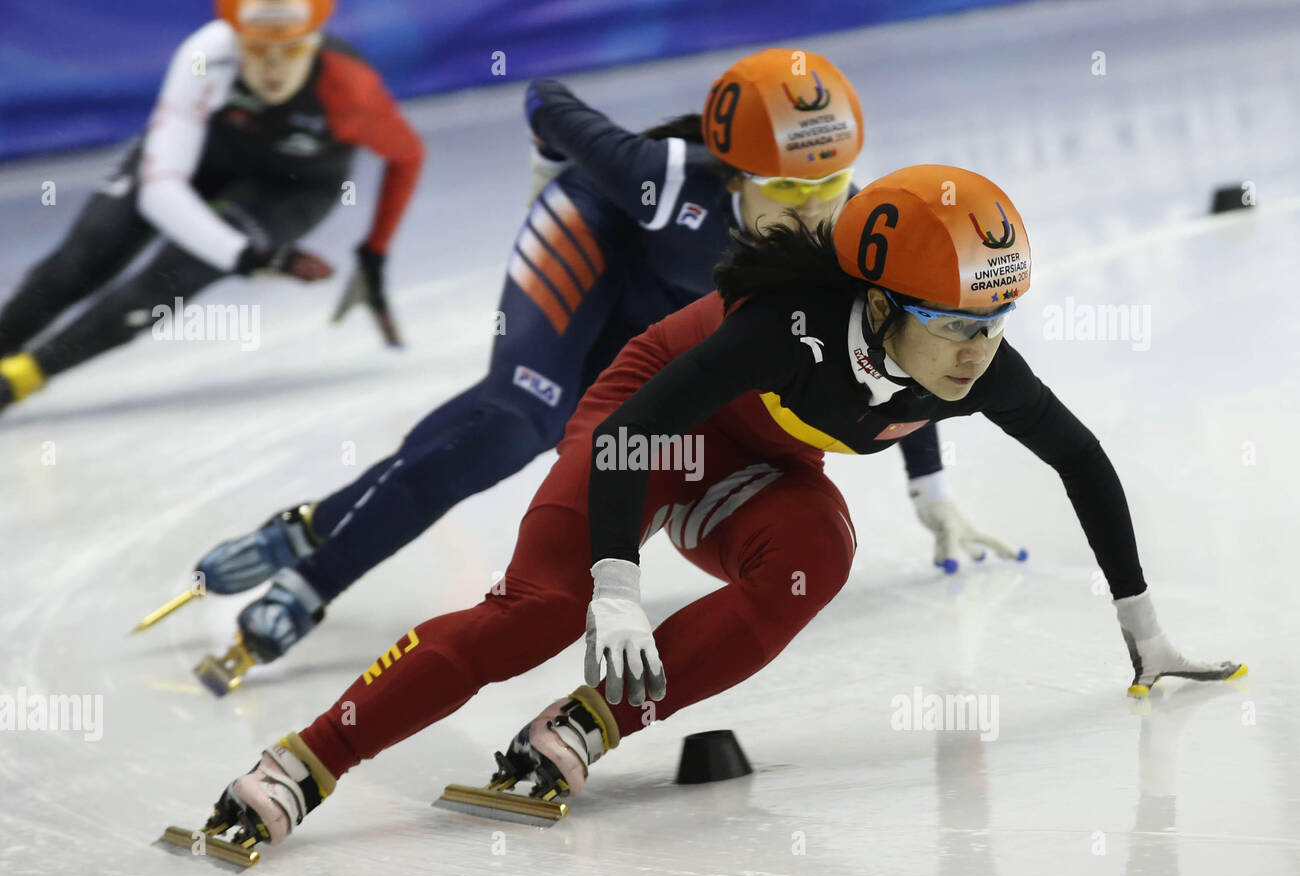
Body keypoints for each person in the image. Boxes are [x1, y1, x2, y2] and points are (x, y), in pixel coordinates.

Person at [184, 164, 1244, 853]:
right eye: (955, 324)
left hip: (748, 464)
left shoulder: (973, 359)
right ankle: (304, 760)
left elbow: (1082, 459)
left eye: (998, 321)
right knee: (541, 613)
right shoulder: (784, 327)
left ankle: (585, 725)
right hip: (641, 429)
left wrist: (1144, 636)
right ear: (877, 304)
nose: (981, 351)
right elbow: (634, 430)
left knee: (815, 551)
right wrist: (614, 587)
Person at [169, 49, 1020, 673]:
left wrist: (929, 489)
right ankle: (317, 575)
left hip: (662, 300)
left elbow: (889, 350)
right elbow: (545, 94)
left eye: (833, 181)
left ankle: (310, 526)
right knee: (518, 420)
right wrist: (551, 168)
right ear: (733, 173)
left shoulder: (849, 222)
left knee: (586, 430)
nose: (815, 207)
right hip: (588, 233)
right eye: (790, 188)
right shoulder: (654, 177)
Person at [0, 0, 422, 411]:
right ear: (234, 41)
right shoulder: (204, 56)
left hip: (289, 188)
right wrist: (245, 255)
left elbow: (408, 156)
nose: (273, 68)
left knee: (170, 278)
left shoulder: (351, 90)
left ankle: (14, 382)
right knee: (86, 255)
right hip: (203, 157)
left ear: (313, 44)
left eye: (290, 50)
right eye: (257, 50)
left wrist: (374, 254)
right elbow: (160, 189)